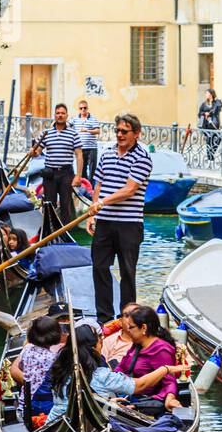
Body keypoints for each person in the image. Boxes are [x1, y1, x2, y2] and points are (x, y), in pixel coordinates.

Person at [45, 322, 187, 424]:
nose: (102, 343)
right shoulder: (101, 376)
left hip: (55, 422)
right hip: (87, 423)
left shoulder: (59, 369)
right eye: (100, 341)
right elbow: (139, 385)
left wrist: (106, 402)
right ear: (94, 347)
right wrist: (165, 369)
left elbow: (80, 401)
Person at [86, 113, 152, 324]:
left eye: (124, 131)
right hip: (104, 222)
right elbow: (98, 183)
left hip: (129, 225)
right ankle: (104, 318)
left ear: (136, 134)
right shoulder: (106, 154)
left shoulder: (142, 157)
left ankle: (127, 318)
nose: (120, 135)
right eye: (117, 131)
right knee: (99, 267)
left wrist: (103, 202)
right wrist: (92, 212)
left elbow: (129, 189)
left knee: (127, 272)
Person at [118, 304, 182, 409]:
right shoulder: (137, 344)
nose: (128, 330)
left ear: (143, 328)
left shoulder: (161, 350)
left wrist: (170, 398)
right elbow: (122, 366)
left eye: (131, 327)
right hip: (125, 394)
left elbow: (169, 382)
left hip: (144, 402)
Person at [9, 314, 63, 421]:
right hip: (45, 407)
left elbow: (21, 366)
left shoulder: (27, 349)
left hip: (24, 403)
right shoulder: (54, 358)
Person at [37, 103, 83, 224]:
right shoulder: (46, 133)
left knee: (65, 204)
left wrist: (78, 176)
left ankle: (64, 233)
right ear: (54, 115)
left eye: (63, 113)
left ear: (67, 115)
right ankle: (49, 231)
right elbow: (37, 151)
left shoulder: (73, 134)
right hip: (50, 173)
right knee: (49, 204)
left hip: (66, 173)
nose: (60, 115)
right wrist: (33, 152)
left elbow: (79, 155)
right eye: (58, 113)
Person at [72, 99, 101, 185]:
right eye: (81, 108)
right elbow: (67, 126)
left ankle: (91, 188)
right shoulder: (74, 119)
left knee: (92, 169)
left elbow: (98, 131)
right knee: (82, 169)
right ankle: (84, 187)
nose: (83, 110)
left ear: (87, 108)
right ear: (79, 109)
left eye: (84, 108)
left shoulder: (93, 119)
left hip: (92, 148)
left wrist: (87, 130)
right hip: (80, 149)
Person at [198, 88, 222, 164]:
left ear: (211, 94)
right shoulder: (204, 104)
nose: (206, 95)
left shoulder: (217, 102)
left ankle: (211, 153)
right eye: (205, 93)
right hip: (206, 125)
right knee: (209, 141)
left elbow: (217, 108)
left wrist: (210, 113)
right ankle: (210, 158)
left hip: (215, 125)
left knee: (219, 138)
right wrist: (204, 114)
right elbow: (199, 114)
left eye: (207, 93)